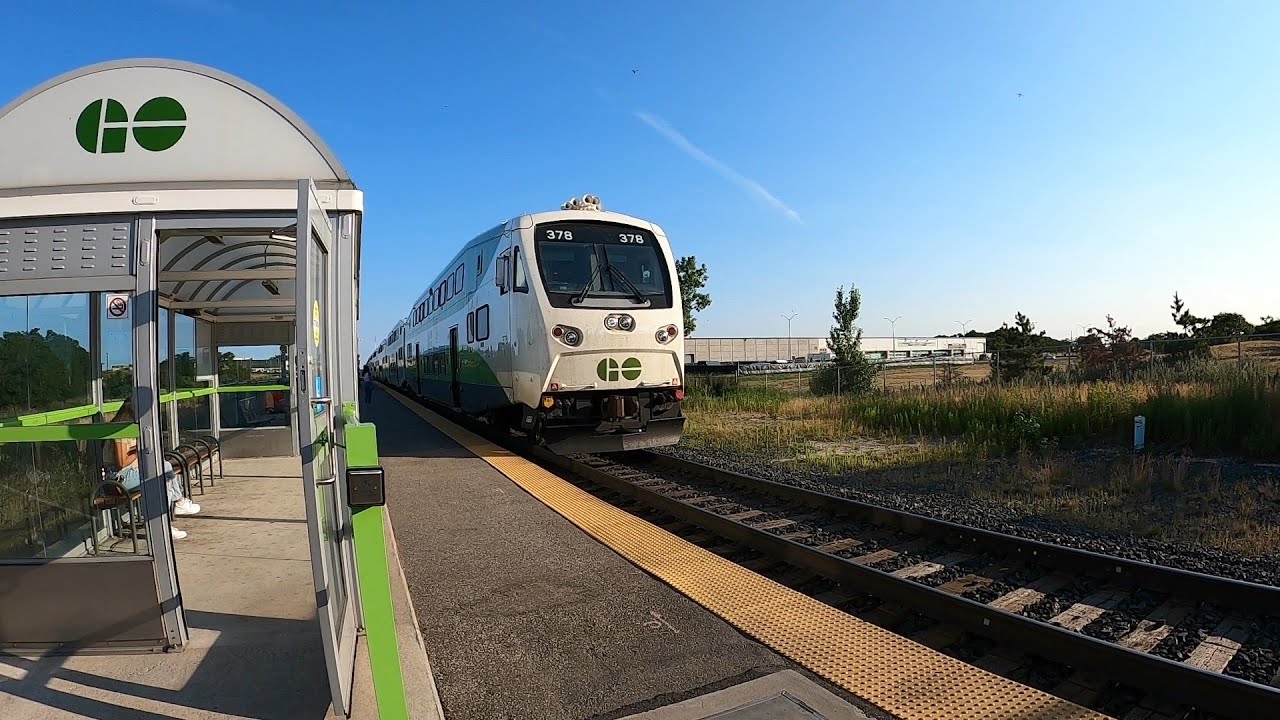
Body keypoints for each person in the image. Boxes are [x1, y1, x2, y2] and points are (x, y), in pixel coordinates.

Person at [109, 397, 200, 540]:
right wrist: (140, 449)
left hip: (131, 473)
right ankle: (167, 519)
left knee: (164, 472)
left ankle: (172, 512)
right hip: (120, 478)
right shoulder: (123, 430)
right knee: (162, 473)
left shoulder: (132, 427)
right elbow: (122, 463)